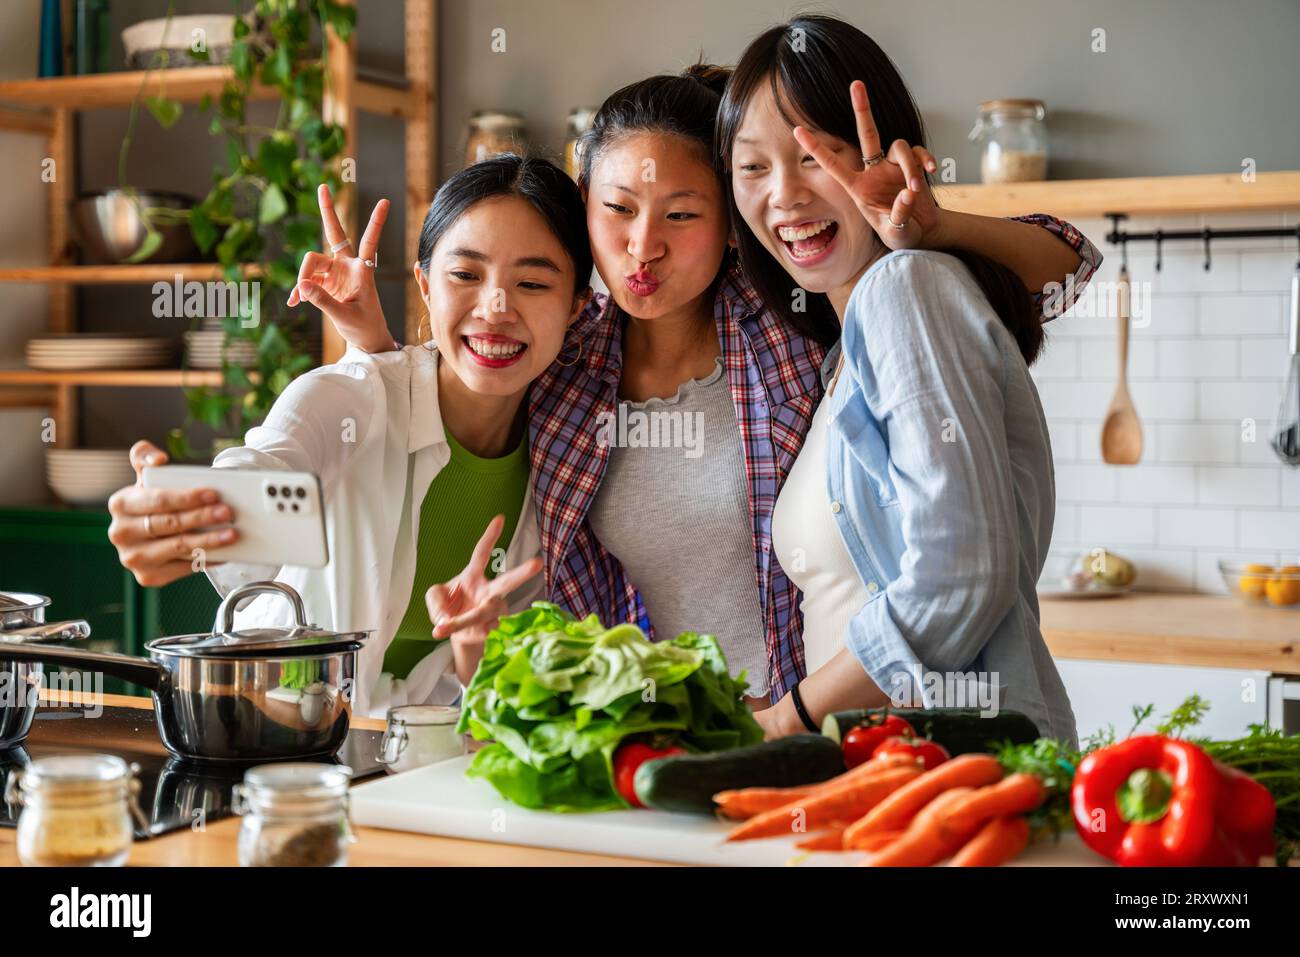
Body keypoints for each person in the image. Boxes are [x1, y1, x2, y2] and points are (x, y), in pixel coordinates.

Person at [107, 155, 591, 717]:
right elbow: (261, 473)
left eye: (532, 282)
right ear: (425, 286)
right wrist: (170, 516)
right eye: (464, 275)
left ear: (577, 306)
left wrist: (475, 648)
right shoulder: (347, 400)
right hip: (274, 742)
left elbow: (491, 698)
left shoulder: (562, 463)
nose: (495, 308)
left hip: (421, 767)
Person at [719, 14, 1078, 743]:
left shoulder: (904, 290)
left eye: (815, 154)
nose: (784, 195)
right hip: (886, 778)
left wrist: (788, 717)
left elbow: (959, 580)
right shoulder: (839, 353)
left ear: (883, 153)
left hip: (953, 778)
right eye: (753, 167)